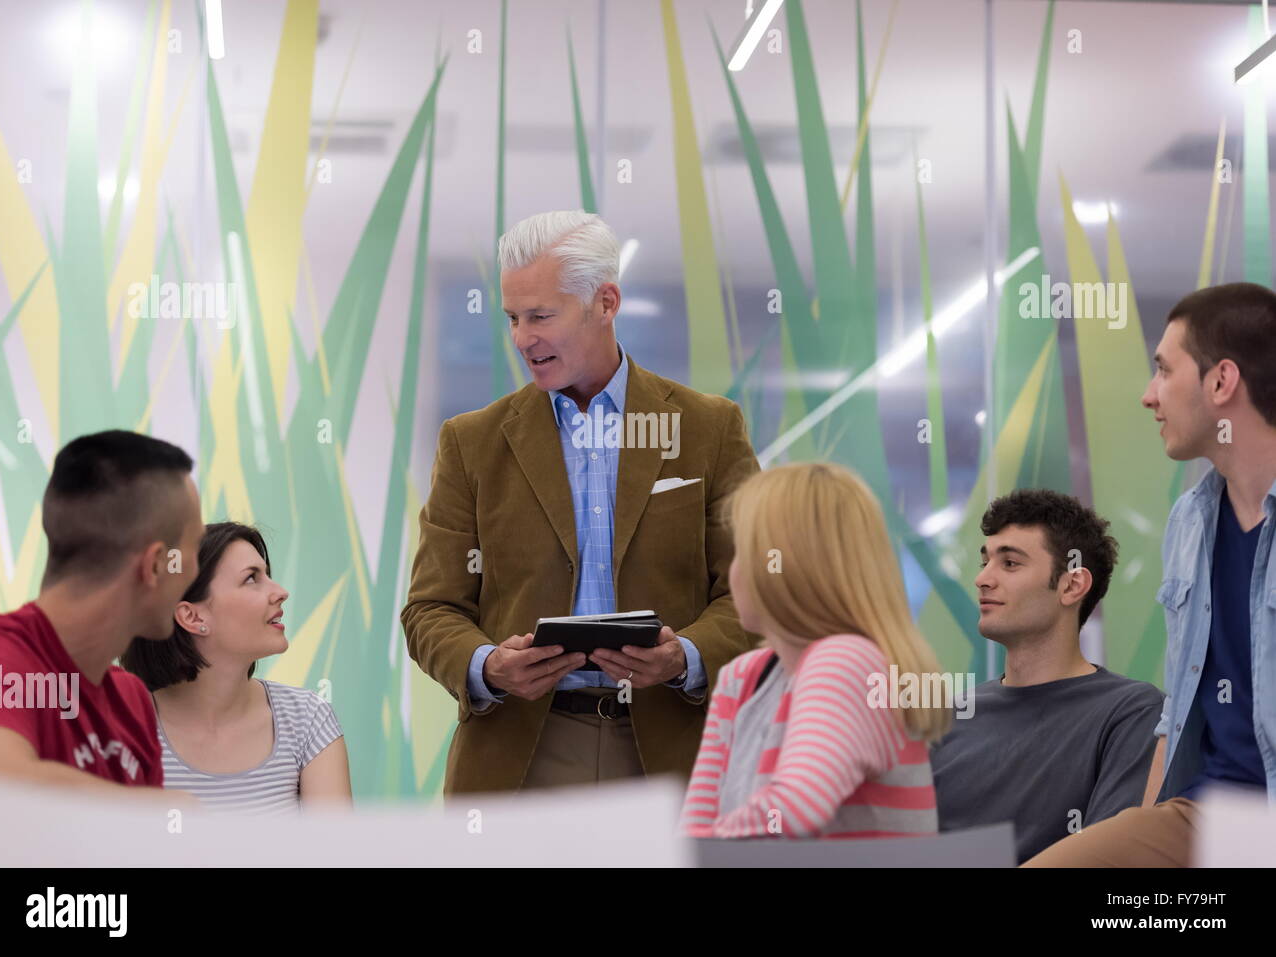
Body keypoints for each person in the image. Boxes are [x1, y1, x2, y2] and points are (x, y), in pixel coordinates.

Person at [402, 209, 760, 793]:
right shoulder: (471, 443)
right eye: (513, 317)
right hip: (519, 758)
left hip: (673, 754)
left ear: (606, 302)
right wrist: (487, 665)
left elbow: (755, 593)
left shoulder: (708, 428)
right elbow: (430, 609)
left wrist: (687, 656)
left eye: (541, 315)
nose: (522, 337)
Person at [1025, 281, 1276, 867]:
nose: (1148, 395)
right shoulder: (1190, 521)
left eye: (1164, 370)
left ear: (1221, 382)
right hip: (1205, 816)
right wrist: (1140, 829)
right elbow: (1179, 708)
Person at [681, 463, 948, 838]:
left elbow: (796, 808)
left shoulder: (846, 659)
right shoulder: (741, 676)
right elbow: (695, 830)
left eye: (742, 550)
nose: (732, 570)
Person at [930, 489, 1163, 863]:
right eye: (985, 561)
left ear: (1072, 585)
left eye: (1009, 564)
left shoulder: (1132, 713)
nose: (983, 580)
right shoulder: (947, 717)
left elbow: (1113, 856)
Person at [0, 430, 202, 798]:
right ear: (156, 565)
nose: (193, 571)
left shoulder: (132, 701)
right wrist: (168, 809)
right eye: (194, 549)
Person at [123, 523, 350, 814]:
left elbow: (334, 855)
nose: (281, 592)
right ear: (192, 616)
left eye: (267, 574)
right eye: (252, 578)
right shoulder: (125, 733)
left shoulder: (308, 720)